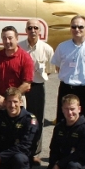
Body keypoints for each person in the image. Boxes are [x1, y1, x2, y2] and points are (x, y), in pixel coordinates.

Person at [51, 15, 85, 124]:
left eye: (80, 27)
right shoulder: (62, 47)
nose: (77, 30)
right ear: (70, 29)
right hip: (66, 89)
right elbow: (58, 67)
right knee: (63, 121)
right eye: (74, 27)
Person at [18, 18, 54, 161]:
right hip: (21, 87)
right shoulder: (19, 47)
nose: (32, 30)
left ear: (40, 30)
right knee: (21, 118)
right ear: (26, 30)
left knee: (37, 119)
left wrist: (40, 75)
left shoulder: (47, 49)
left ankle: (35, 152)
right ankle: (21, 149)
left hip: (37, 87)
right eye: (30, 28)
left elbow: (51, 69)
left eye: (35, 28)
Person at [0, 25, 34, 126]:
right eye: (4, 38)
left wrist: (8, 99)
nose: (7, 41)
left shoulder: (25, 57)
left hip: (17, 101)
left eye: (10, 38)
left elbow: (27, 84)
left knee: (19, 131)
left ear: (17, 38)